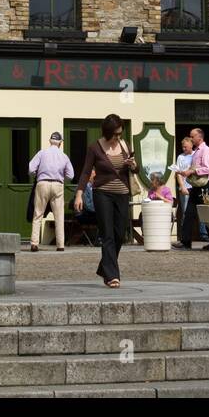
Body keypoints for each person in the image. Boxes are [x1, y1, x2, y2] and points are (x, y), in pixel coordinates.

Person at [74, 114, 135, 288]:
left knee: (119, 234)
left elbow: (135, 169)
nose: (118, 137)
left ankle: (104, 267)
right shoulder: (95, 147)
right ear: (107, 133)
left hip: (122, 193)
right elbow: (86, 172)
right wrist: (79, 194)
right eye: (115, 134)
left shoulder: (124, 145)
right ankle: (112, 275)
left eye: (120, 133)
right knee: (107, 234)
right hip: (102, 194)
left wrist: (133, 165)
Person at [28, 130, 74, 252]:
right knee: (59, 216)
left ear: (50, 141)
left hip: (42, 183)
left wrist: (36, 174)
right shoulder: (64, 156)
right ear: (60, 143)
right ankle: (60, 245)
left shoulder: (42, 153)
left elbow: (31, 168)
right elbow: (71, 175)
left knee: (38, 214)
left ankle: (34, 243)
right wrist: (62, 175)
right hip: (58, 184)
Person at [178, 128, 209, 248]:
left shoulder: (206, 150)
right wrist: (186, 172)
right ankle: (186, 241)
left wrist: (192, 171)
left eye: (193, 136)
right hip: (196, 185)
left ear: (200, 137)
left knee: (207, 214)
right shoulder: (196, 152)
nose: (191, 138)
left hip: (205, 185)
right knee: (189, 213)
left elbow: (207, 169)